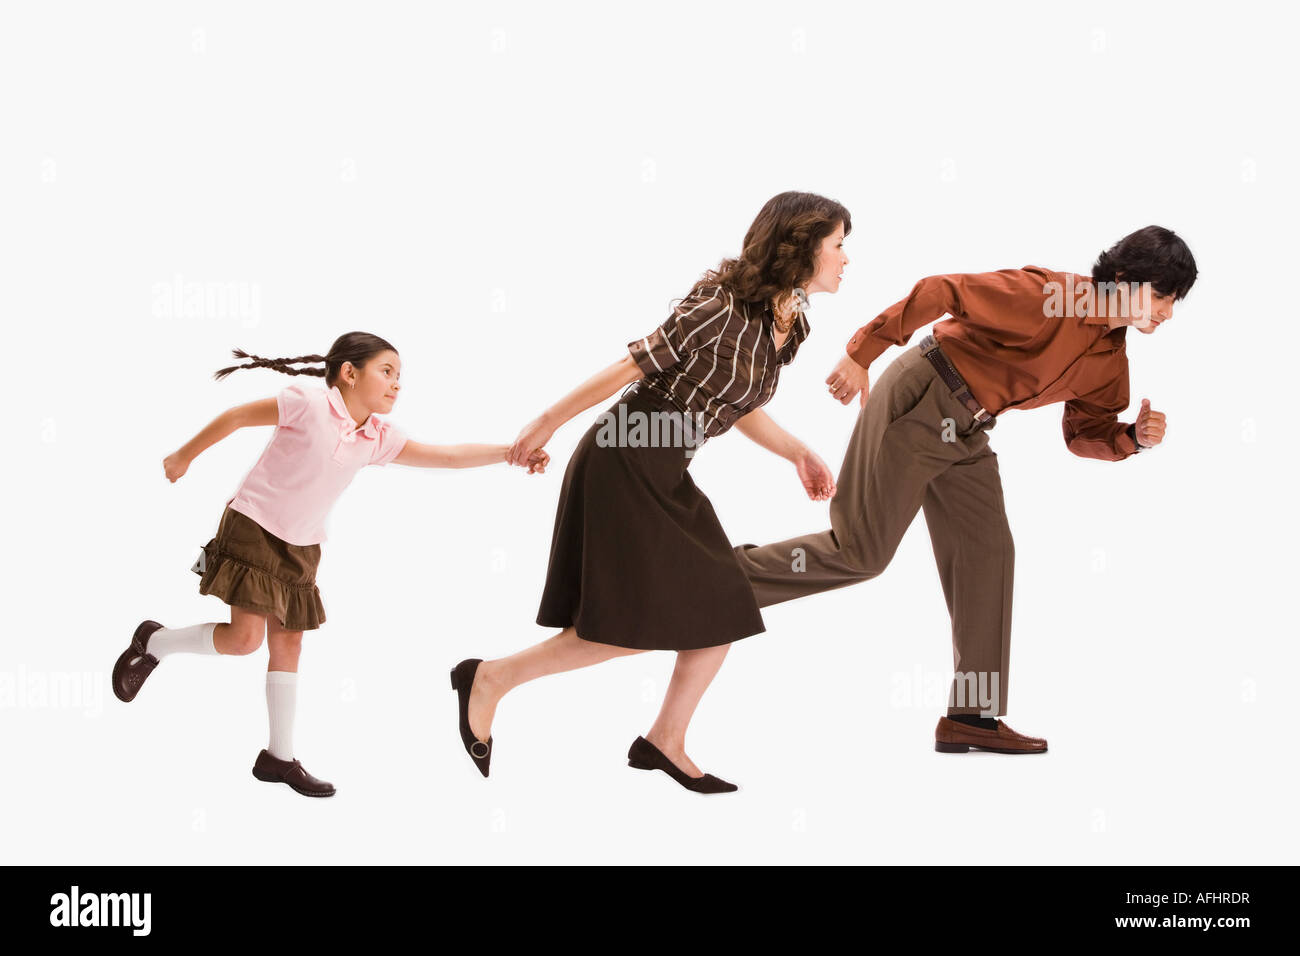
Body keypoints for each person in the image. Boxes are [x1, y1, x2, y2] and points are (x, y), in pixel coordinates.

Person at [732, 225, 1198, 755]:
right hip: (925, 390)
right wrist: (863, 352)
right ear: (1122, 279)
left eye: (1174, 301)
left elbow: (1084, 435)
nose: (1166, 311)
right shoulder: (1051, 297)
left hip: (969, 427)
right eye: (1161, 295)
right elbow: (942, 290)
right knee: (860, 552)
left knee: (988, 552)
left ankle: (971, 718)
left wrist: (1131, 439)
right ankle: (719, 580)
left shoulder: (1111, 365)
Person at [450, 191, 850, 793]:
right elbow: (632, 366)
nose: (847, 259)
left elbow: (732, 405)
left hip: (667, 467)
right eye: (840, 245)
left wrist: (798, 451)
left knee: (722, 608)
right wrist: (545, 422)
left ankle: (665, 739)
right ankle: (489, 679)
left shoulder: (787, 325)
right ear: (802, 246)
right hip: (626, 454)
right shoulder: (721, 302)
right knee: (632, 622)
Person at [112, 332, 547, 797]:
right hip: (255, 525)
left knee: (289, 647)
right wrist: (184, 456)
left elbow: (446, 457)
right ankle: (154, 641)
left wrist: (510, 454)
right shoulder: (309, 403)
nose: (397, 384)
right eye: (387, 372)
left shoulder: (376, 437)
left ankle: (279, 758)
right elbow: (239, 416)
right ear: (348, 373)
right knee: (243, 642)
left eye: (401, 377)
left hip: (303, 546)